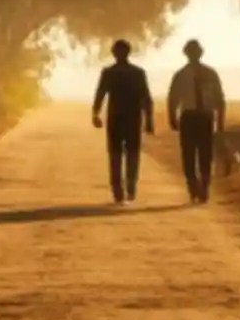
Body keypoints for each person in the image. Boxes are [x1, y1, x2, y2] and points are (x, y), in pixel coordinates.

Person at [92, 39, 154, 204]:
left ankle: (121, 189)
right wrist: (149, 119)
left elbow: (100, 94)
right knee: (124, 154)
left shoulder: (111, 72)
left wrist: (96, 113)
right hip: (128, 118)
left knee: (119, 154)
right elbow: (146, 98)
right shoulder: (135, 73)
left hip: (120, 118)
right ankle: (125, 188)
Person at [167, 39, 226, 204]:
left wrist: (220, 122)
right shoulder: (180, 75)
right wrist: (172, 116)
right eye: (191, 52)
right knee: (189, 154)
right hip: (189, 116)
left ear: (201, 53)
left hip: (205, 116)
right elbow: (173, 98)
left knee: (205, 154)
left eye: (196, 52)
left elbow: (220, 99)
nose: (194, 55)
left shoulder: (211, 74)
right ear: (186, 54)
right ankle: (193, 185)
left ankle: (204, 186)